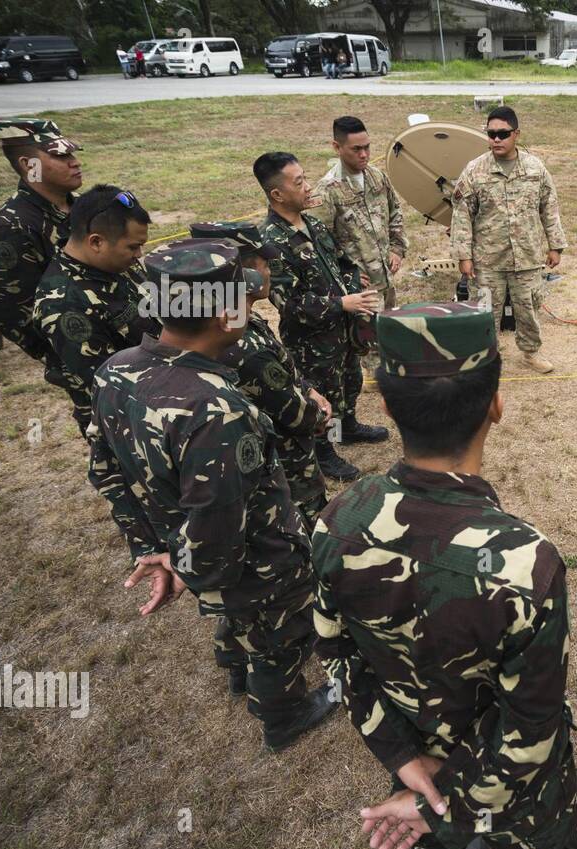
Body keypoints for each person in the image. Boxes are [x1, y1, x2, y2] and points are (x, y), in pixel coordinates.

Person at [311, 301, 577, 849]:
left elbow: (334, 652)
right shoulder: (526, 564)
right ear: (497, 405)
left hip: (414, 764)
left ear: (384, 402)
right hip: (518, 801)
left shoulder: (335, 520)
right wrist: (446, 803)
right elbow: (531, 729)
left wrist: (406, 763)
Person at [87, 237, 338, 750]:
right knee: (278, 636)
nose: (251, 305)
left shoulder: (116, 371)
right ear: (226, 317)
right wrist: (199, 572)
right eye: (243, 299)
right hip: (254, 560)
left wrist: (156, 548)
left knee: (234, 618)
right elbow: (220, 520)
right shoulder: (216, 408)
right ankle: (284, 715)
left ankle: (236, 671)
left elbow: (106, 469)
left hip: (189, 545)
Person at [188, 221, 333, 696]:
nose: (271, 271)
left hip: (254, 474)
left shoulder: (232, 323)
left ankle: (231, 654)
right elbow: (294, 416)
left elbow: (284, 374)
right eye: (264, 263)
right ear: (244, 276)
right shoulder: (243, 342)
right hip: (286, 474)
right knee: (290, 572)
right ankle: (278, 681)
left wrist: (305, 387)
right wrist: (316, 410)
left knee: (244, 582)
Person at [255, 151, 384, 483]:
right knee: (323, 396)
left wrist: (356, 283)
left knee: (349, 382)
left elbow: (342, 262)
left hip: (342, 332)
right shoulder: (272, 241)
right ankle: (324, 451)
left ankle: (349, 426)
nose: (308, 186)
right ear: (277, 194)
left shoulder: (311, 223)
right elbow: (289, 303)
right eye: (299, 182)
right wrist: (343, 303)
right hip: (312, 342)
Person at [450, 106, 566, 375]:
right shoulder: (475, 170)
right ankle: (486, 358)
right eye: (491, 134)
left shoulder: (535, 168)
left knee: (528, 308)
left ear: (516, 134)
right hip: (488, 259)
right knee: (486, 311)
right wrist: (464, 256)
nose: (496, 140)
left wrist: (555, 245)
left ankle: (530, 353)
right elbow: (462, 216)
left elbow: (549, 206)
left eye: (502, 134)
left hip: (526, 256)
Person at [31, 186, 155, 433]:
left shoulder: (111, 263)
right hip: (131, 422)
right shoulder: (65, 306)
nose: (139, 255)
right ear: (96, 241)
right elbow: (112, 386)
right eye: (133, 247)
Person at [0, 118, 83, 409]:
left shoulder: (77, 205)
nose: (74, 162)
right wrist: (63, 354)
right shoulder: (14, 228)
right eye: (60, 156)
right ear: (30, 165)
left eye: (72, 153)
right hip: (82, 356)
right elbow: (6, 308)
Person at [314, 115, 409, 391]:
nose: (365, 154)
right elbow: (320, 242)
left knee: (387, 322)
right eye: (356, 149)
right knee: (363, 331)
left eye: (367, 146)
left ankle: (386, 368)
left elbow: (395, 213)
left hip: (385, 275)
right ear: (336, 147)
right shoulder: (328, 191)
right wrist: (346, 273)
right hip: (359, 282)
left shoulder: (377, 177)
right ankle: (372, 377)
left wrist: (397, 249)